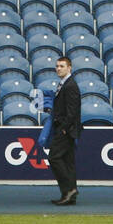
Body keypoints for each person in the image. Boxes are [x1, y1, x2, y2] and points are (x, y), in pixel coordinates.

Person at [48, 55, 82, 206]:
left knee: (54, 157)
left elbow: (72, 111)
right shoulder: (64, 84)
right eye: (57, 66)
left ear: (69, 68)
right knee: (68, 162)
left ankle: (69, 190)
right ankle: (68, 193)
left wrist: (63, 129)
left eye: (61, 66)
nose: (58, 68)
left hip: (66, 129)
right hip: (65, 128)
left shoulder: (70, 85)